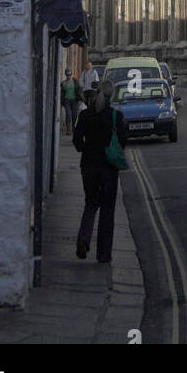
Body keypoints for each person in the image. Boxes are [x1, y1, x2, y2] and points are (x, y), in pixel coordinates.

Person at [72, 79, 128, 263]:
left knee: (90, 204)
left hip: (88, 165)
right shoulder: (115, 116)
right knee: (107, 210)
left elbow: (77, 141)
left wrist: (86, 148)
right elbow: (122, 142)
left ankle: (83, 238)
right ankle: (103, 254)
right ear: (111, 95)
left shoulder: (86, 115)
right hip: (108, 168)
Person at [61, 68, 82, 134]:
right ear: (66, 75)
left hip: (74, 100)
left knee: (74, 115)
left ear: (71, 74)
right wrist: (62, 102)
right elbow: (61, 93)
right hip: (67, 100)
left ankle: (73, 127)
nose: (69, 76)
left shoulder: (75, 81)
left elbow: (79, 90)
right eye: (67, 75)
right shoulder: (63, 83)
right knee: (68, 114)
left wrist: (80, 99)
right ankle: (68, 130)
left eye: (70, 74)